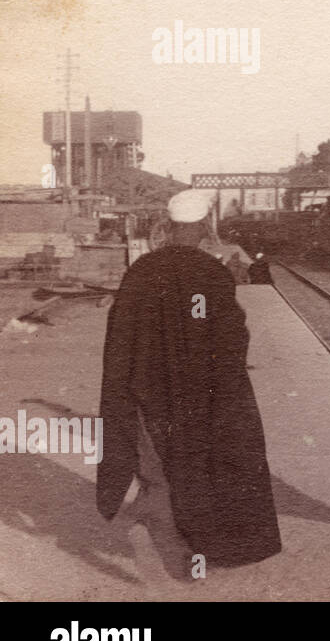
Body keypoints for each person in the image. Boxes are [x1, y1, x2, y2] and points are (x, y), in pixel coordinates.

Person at [97, 189, 281, 569]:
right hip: (204, 391)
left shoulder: (141, 271)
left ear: (171, 226)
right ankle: (209, 546)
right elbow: (232, 335)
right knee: (213, 463)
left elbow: (120, 334)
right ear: (202, 226)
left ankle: (168, 531)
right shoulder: (211, 272)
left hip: (151, 390)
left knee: (165, 464)